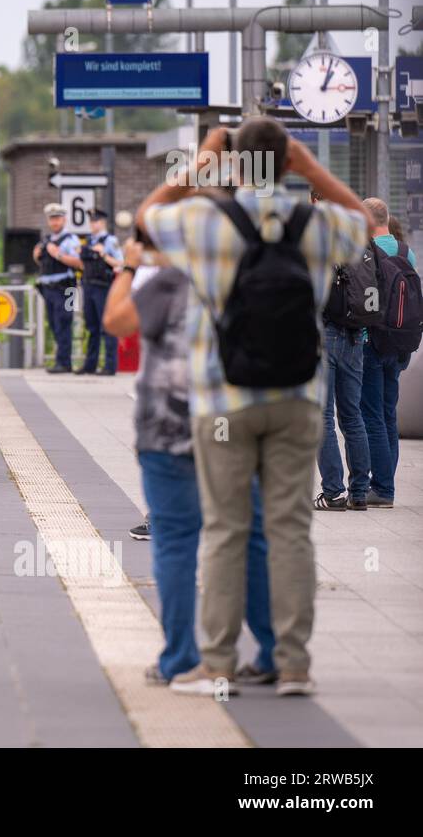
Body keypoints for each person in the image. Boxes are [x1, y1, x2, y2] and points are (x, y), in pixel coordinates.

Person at [137, 118, 368, 698]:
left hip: (222, 400)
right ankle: (292, 664)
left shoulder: (204, 219)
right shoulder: (315, 222)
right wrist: (308, 168)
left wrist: (202, 161)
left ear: (234, 161)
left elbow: (146, 218)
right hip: (298, 399)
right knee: (290, 529)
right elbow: (367, 223)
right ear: (287, 159)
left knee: (224, 529)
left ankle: (215, 664)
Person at [103, 236, 276, 685]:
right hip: (238, 427)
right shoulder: (254, 276)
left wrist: (127, 266)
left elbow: (116, 322)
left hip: (170, 430)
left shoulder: (170, 282)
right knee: (251, 538)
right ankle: (275, 653)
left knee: (175, 541)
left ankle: (180, 658)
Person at [313, 192, 374, 513]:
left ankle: (333, 492)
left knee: (322, 416)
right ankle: (360, 492)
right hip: (356, 337)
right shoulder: (361, 243)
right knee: (353, 415)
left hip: (325, 336)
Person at [359, 198, 418, 509]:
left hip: (372, 341)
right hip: (400, 343)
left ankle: (382, 487)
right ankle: (387, 481)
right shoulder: (407, 252)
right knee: (388, 413)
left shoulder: (367, 251)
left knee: (371, 416)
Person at [33, 202, 82, 374]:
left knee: (65, 322)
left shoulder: (71, 240)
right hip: (49, 288)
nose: (55, 222)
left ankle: (65, 362)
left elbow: (79, 263)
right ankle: (60, 360)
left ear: (64, 220)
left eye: (58, 219)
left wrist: (58, 254)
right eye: (52, 219)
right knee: (54, 324)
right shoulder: (46, 240)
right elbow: (45, 263)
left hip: (68, 288)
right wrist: (37, 256)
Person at [77, 207, 122, 375]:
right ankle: (90, 364)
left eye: (95, 221)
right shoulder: (87, 241)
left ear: (102, 223)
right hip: (88, 285)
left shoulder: (110, 241)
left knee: (106, 327)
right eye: (91, 221)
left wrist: (103, 255)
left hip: (103, 287)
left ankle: (110, 366)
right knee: (92, 327)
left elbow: (119, 263)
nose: (93, 224)